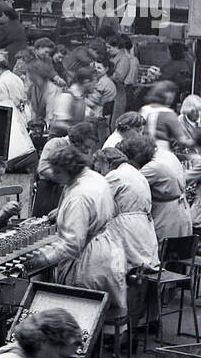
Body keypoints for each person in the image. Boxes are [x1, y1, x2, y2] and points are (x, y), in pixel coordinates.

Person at [41, 140, 128, 316]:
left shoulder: (79, 197)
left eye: (58, 172)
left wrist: (42, 258)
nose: (54, 175)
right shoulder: (95, 177)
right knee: (99, 313)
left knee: (82, 315)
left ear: (71, 169)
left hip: (89, 262)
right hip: (108, 250)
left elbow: (73, 244)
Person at [93, 141, 159, 273]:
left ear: (108, 163)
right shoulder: (135, 172)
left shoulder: (115, 175)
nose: (100, 173)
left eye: (100, 169)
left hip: (127, 227)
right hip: (143, 225)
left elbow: (95, 200)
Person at [134, 127, 193, 243]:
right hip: (180, 208)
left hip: (167, 214)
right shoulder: (167, 154)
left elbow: (133, 182)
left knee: (163, 248)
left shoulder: (153, 166)